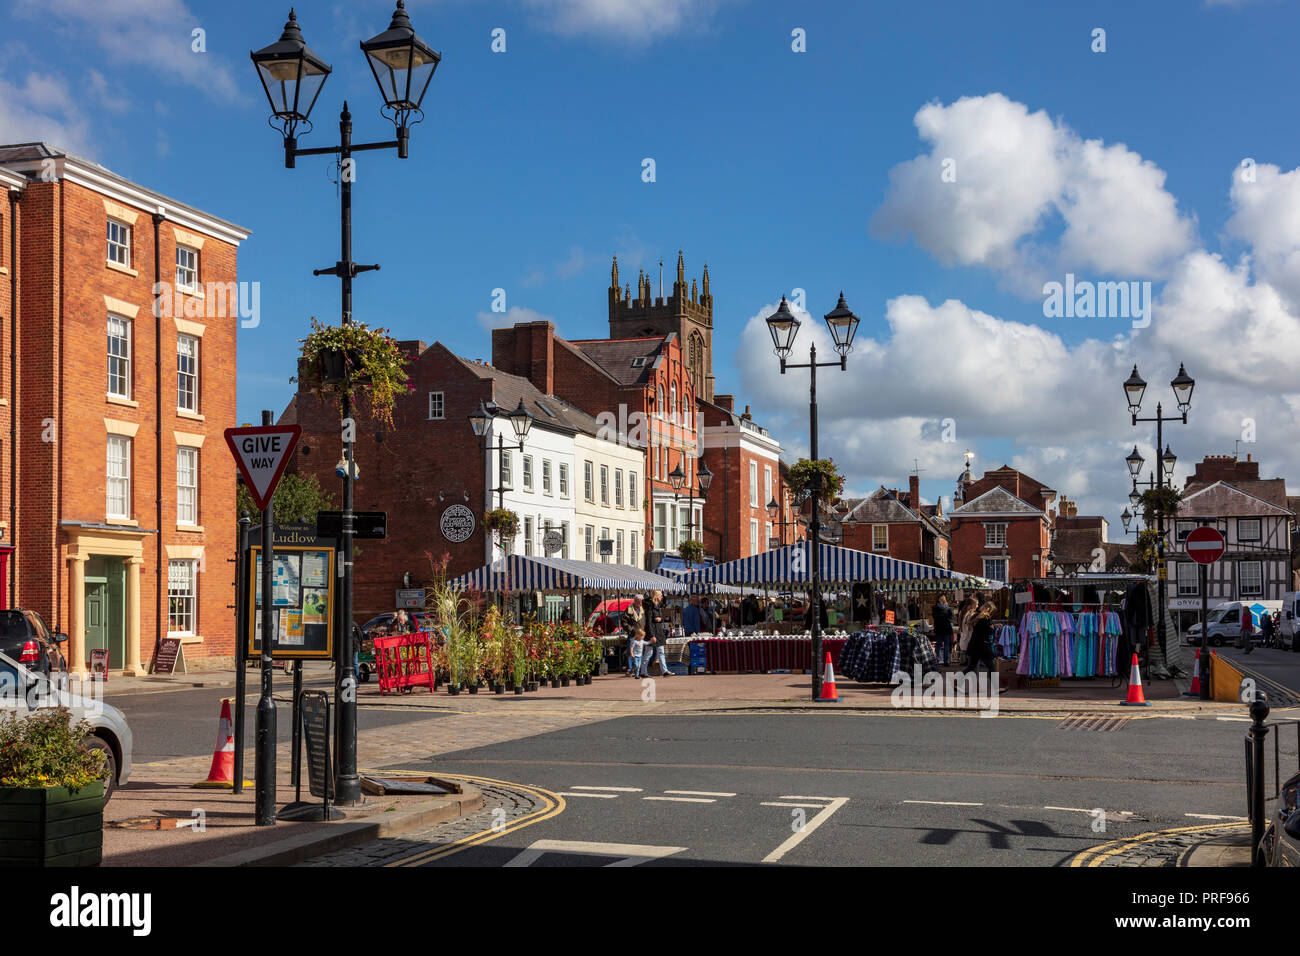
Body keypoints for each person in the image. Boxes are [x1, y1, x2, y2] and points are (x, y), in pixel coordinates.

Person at [965, 602, 997, 679]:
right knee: (991, 666)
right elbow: (989, 631)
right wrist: (993, 628)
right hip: (983, 646)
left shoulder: (976, 616)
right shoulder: (986, 618)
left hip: (974, 644)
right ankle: (996, 687)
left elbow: (980, 628)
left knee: (971, 667)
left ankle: (956, 680)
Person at [644, 589, 672, 676]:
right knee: (649, 653)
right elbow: (648, 622)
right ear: (656, 597)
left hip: (658, 632)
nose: (662, 597)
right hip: (652, 633)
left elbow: (660, 617)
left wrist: (661, 619)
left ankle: (664, 671)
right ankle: (643, 671)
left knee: (661, 652)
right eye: (660, 596)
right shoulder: (649, 607)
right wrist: (652, 635)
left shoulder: (657, 606)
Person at [624, 596, 646, 675]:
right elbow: (624, 622)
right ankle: (630, 669)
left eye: (642, 601)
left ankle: (637, 669)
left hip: (640, 634)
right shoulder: (629, 609)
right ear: (636, 601)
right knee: (631, 651)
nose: (641, 602)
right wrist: (631, 630)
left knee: (639, 651)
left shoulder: (642, 609)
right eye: (640, 601)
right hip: (633, 634)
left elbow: (644, 621)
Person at [932, 595, 954, 667]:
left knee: (938, 645)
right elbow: (951, 616)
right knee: (946, 645)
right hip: (946, 628)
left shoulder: (935, 608)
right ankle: (946, 661)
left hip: (938, 628)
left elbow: (934, 616)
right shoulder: (947, 608)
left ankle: (936, 660)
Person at [955, 596, 977, 666]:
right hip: (968, 639)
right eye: (977, 604)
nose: (977, 606)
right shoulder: (970, 615)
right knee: (970, 665)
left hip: (964, 637)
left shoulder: (962, 612)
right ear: (972, 605)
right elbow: (969, 629)